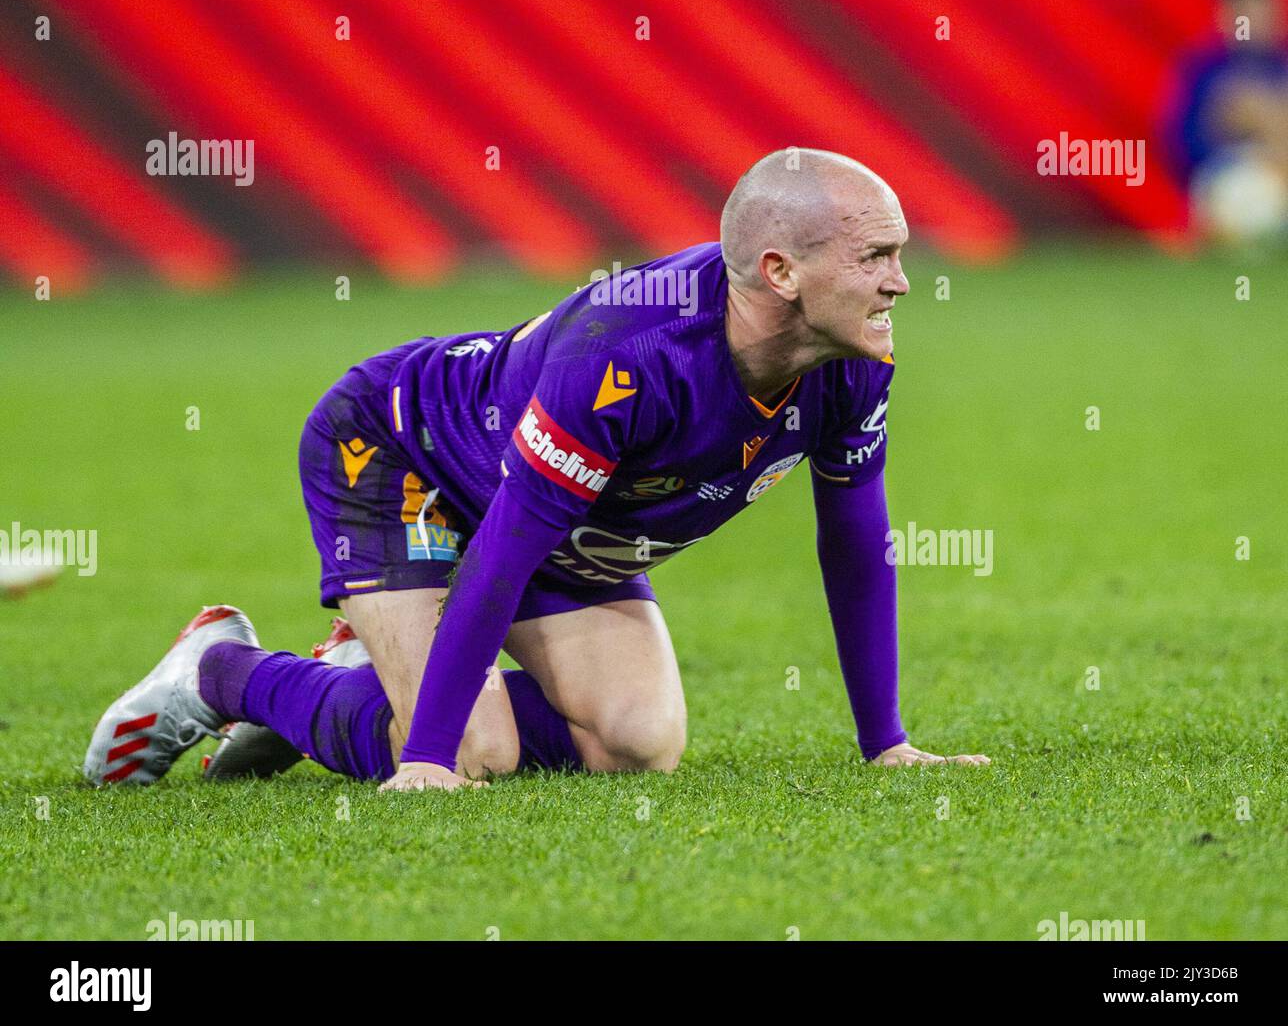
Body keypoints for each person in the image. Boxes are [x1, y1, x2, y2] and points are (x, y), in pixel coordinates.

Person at [84, 149, 989, 790]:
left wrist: (888, 744)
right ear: (780, 270)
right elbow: (504, 553)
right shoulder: (632, 356)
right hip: (406, 459)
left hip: (558, 518)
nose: (902, 281)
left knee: (638, 743)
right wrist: (429, 761)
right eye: (877, 256)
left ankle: (368, 680)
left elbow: (856, 546)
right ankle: (225, 672)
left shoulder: (852, 361)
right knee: (476, 753)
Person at [1170, 0, 1288, 241]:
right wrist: (1224, 128)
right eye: (1243, 11)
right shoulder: (1205, 72)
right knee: (1243, 195)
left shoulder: (1282, 69)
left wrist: (1271, 123)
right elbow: (1181, 144)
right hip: (1230, 178)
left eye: (1261, 10)